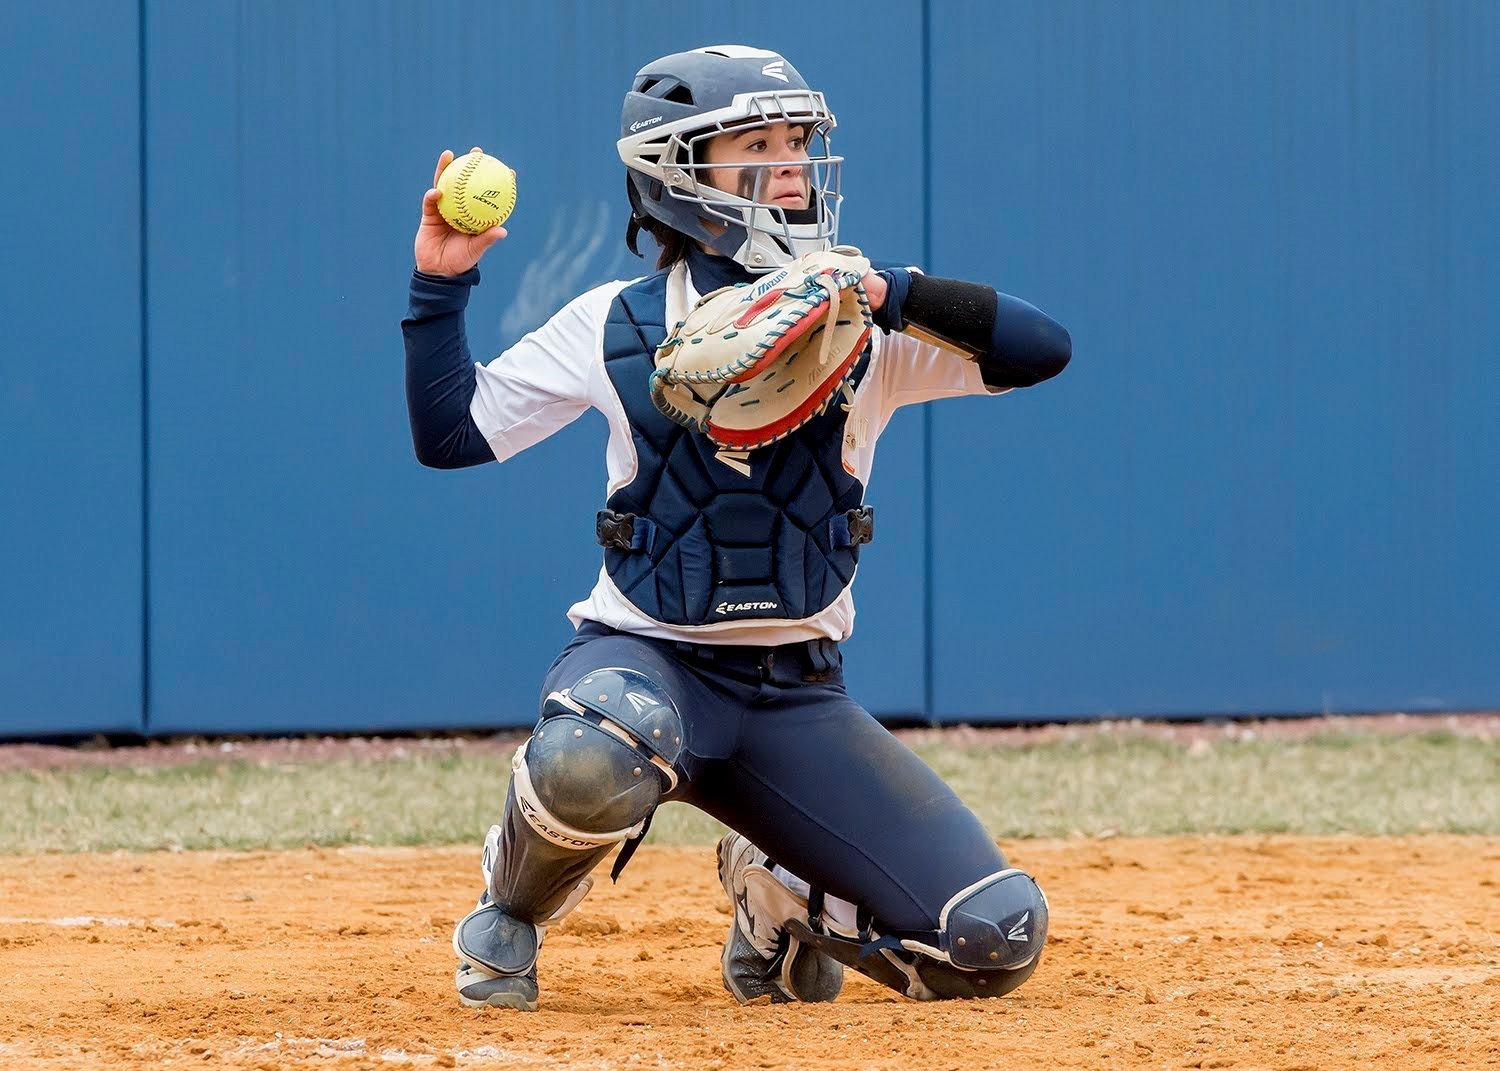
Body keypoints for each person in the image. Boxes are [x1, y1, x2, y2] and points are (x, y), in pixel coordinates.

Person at [402, 45, 1072, 1012]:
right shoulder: (615, 323)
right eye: (757, 143)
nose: (792, 164)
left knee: (989, 942)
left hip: (800, 698)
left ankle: (775, 892)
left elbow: (1044, 350)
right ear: (677, 173)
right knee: (596, 750)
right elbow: (453, 434)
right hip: (645, 664)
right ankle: (508, 909)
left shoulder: (860, 316)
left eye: (798, 140)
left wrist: (894, 293)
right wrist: (440, 284)